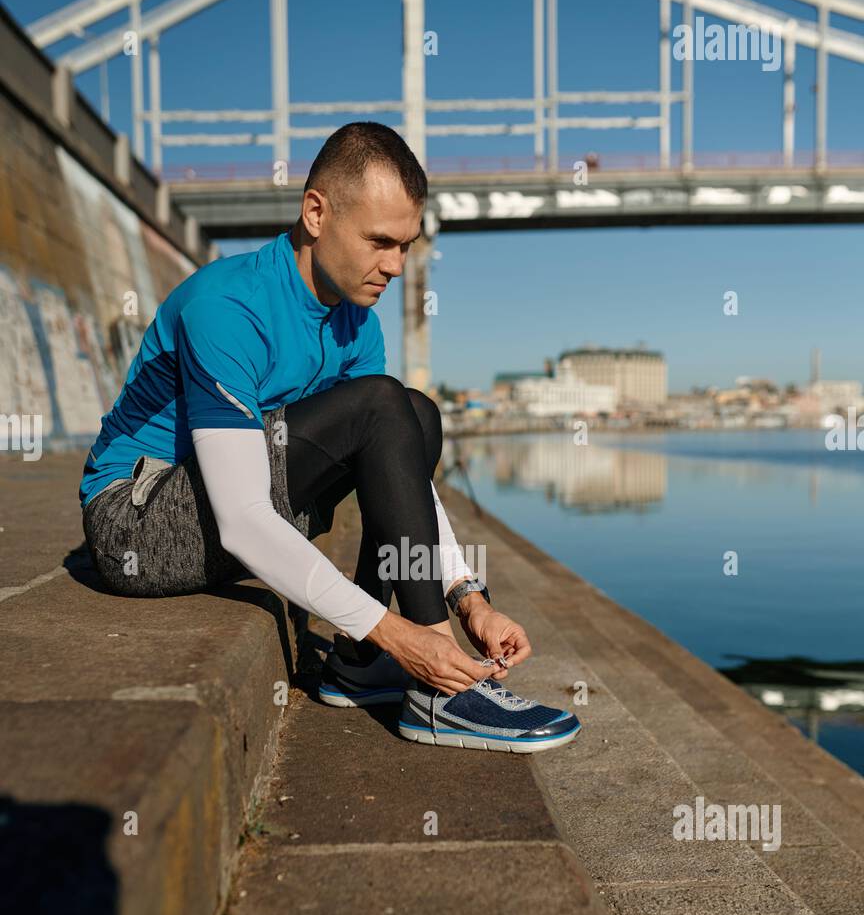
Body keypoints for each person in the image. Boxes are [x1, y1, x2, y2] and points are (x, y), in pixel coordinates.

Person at [80, 122, 580, 752]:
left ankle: (359, 664)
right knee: (381, 405)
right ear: (316, 212)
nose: (396, 267)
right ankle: (436, 689)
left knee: (413, 413)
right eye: (380, 242)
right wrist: (402, 634)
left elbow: (402, 464)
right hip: (138, 521)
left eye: (406, 246)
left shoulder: (353, 320)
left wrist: (469, 599)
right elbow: (241, 521)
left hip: (219, 504)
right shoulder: (228, 306)